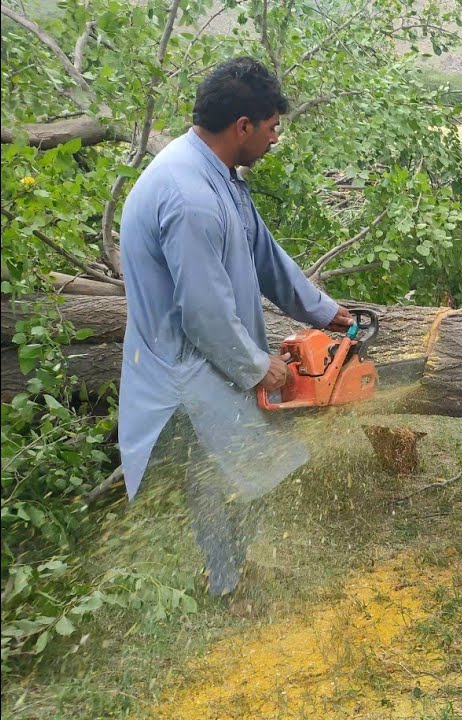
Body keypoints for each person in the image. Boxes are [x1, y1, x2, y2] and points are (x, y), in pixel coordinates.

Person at [118, 57, 352, 598]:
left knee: (242, 472)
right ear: (242, 126)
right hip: (185, 370)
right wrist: (257, 366)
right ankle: (226, 584)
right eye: (272, 128)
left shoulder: (218, 175)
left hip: (213, 359)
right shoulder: (189, 195)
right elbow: (203, 312)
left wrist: (324, 311)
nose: (275, 138)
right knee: (223, 477)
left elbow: (265, 254)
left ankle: (232, 570)